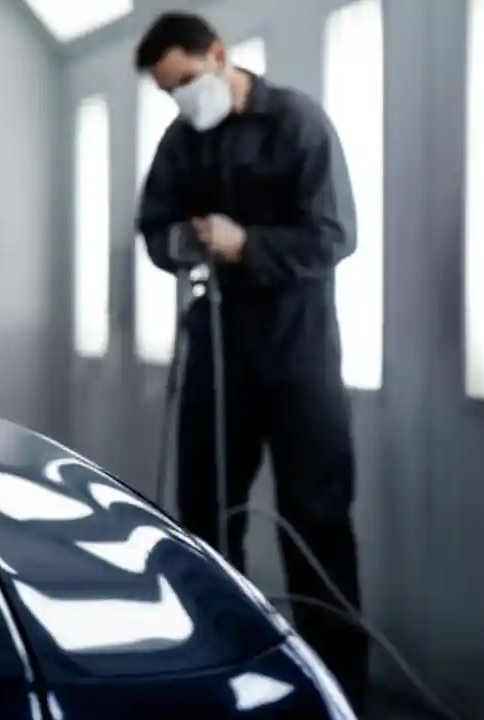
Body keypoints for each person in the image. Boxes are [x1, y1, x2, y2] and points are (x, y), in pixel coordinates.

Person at [134, 11, 369, 711]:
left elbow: (336, 234)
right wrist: (186, 241)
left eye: (184, 81)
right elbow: (153, 229)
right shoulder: (182, 140)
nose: (180, 99)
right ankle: (215, 679)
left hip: (300, 359)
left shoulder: (299, 123)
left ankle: (336, 692)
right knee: (203, 521)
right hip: (216, 354)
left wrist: (248, 245)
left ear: (217, 54)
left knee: (317, 522)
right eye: (167, 91)